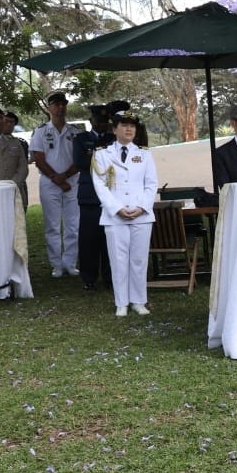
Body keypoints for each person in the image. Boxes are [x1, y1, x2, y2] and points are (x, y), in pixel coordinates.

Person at [92, 109, 158, 317]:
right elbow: (100, 185)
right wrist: (117, 208)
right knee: (118, 260)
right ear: (114, 129)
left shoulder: (144, 154)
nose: (129, 129)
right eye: (124, 125)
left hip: (141, 214)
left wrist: (142, 207)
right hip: (115, 215)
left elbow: (151, 183)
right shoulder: (102, 154)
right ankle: (121, 302)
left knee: (138, 259)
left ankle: (139, 301)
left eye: (132, 125)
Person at [30, 91, 83, 277]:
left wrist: (66, 176)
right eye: (56, 104)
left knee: (73, 224)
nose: (60, 108)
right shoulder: (41, 131)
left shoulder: (75, 131)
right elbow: (39, 158)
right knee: (52, 225)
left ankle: (70, 263)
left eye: (63, 104)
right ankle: (56, 265)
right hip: (50, 183)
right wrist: (57, 179)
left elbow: (80, 158)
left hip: (72, 182)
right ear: (49, 108)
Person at [73, 104, 114, 290]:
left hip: (111, 193)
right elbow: (80, 162)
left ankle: (110, 276)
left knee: (109, 238)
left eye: (105, 121)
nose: (102, 124)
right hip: (89, 195)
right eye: (99, 121)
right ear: (91, 121)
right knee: (88, 238)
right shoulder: (81, 139)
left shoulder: (114, 139)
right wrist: (102, 155)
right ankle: (88, 278)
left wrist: (94, 155)